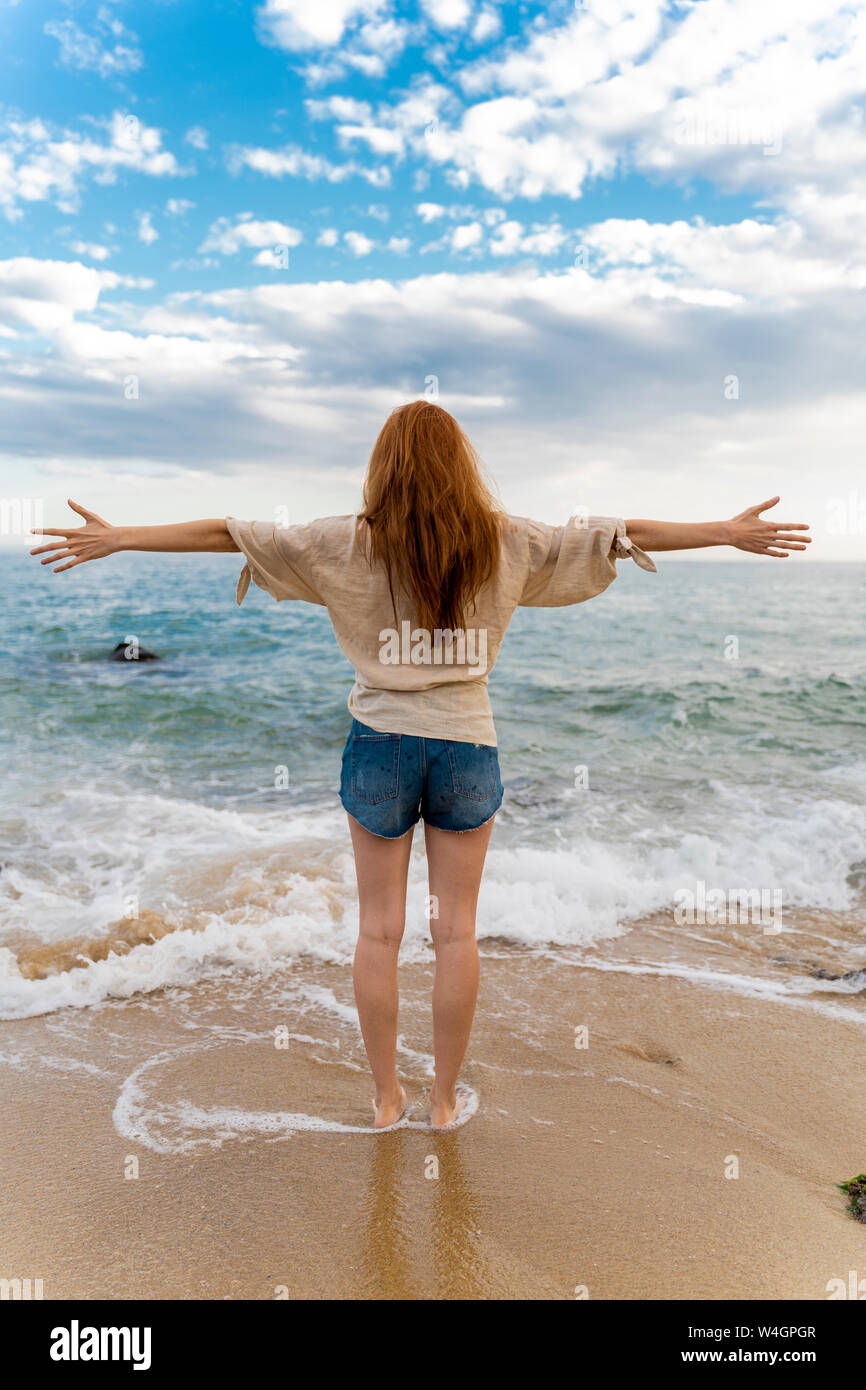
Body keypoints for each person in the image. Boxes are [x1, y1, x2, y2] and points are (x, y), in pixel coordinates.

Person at [29, 400, 811, 1127]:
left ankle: (383, 1098)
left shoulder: (341, 539)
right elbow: (612, 533)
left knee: (378, 934)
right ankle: (441, 1100)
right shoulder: (505, 538)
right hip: (469, 741)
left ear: (382, 466)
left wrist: (123, 536)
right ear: (461, 465)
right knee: (456, 935)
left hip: (381, 744)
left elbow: (228, 534)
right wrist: (722, 530)